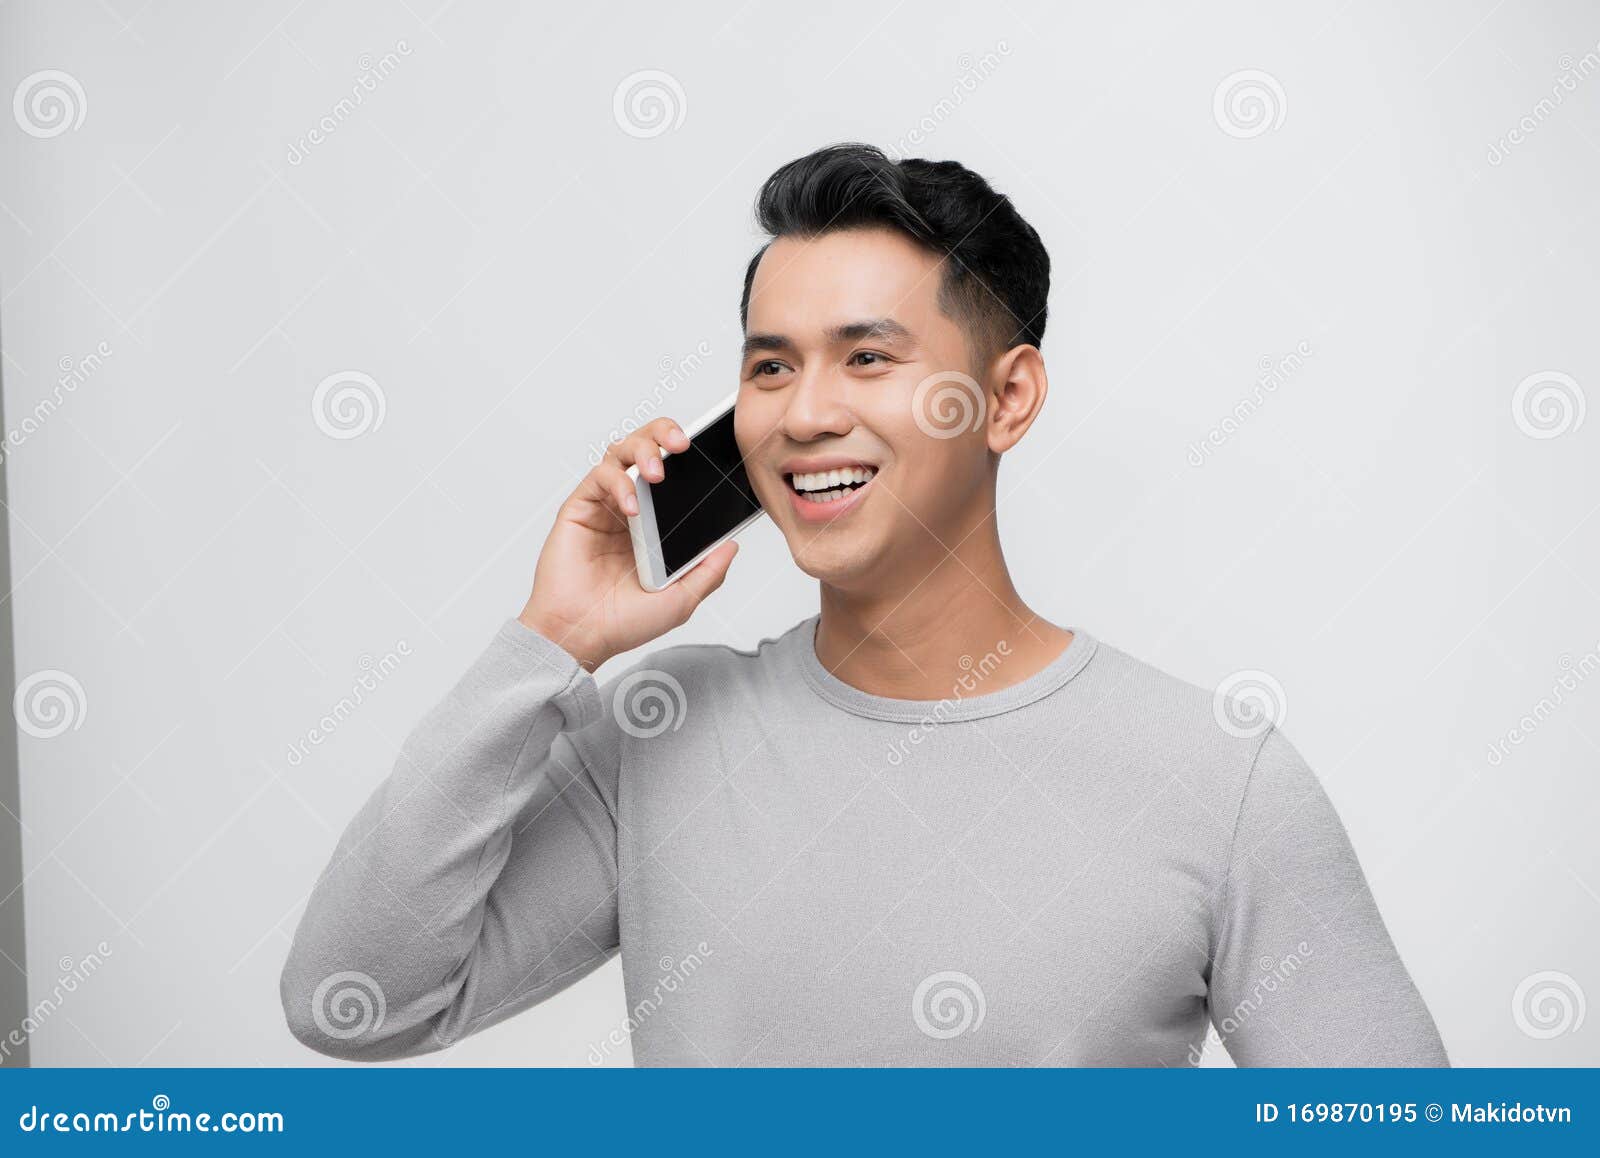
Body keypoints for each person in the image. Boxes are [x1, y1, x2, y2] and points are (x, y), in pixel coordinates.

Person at [280, 143, 1447, 1066]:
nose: (802, 415)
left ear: (1007, 397)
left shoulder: (1214, 777)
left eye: (868, 358)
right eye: (770, 366)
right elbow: (354, 1001)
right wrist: (550, 644)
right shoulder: (659, 735)